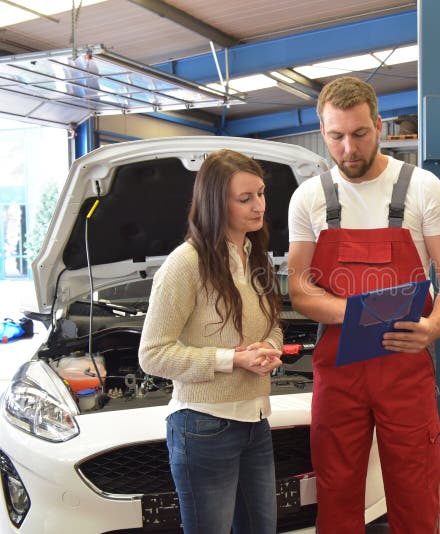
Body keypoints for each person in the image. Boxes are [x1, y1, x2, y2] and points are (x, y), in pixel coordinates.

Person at [287, 76, 440, 532]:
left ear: (380, 126)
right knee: (336, 490)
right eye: (336, 136)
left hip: (405, 364)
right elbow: (300, 289)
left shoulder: (422, 188)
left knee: (415, 492)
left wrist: (433, 328)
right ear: (322, 132)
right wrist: (356, 314)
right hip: (338, 367)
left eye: (360, 133)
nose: (349, 148)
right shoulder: (309, 198)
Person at [139, 149, 284, 534]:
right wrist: (231, 359)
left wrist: (268, 347)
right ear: (215, 203)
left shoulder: (255, 257)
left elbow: (272, 326)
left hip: (256, 420)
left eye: (261, 193)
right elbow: (152, 355)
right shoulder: (185, 264)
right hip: (203, 427)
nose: (259, 206)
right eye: (245, 198)